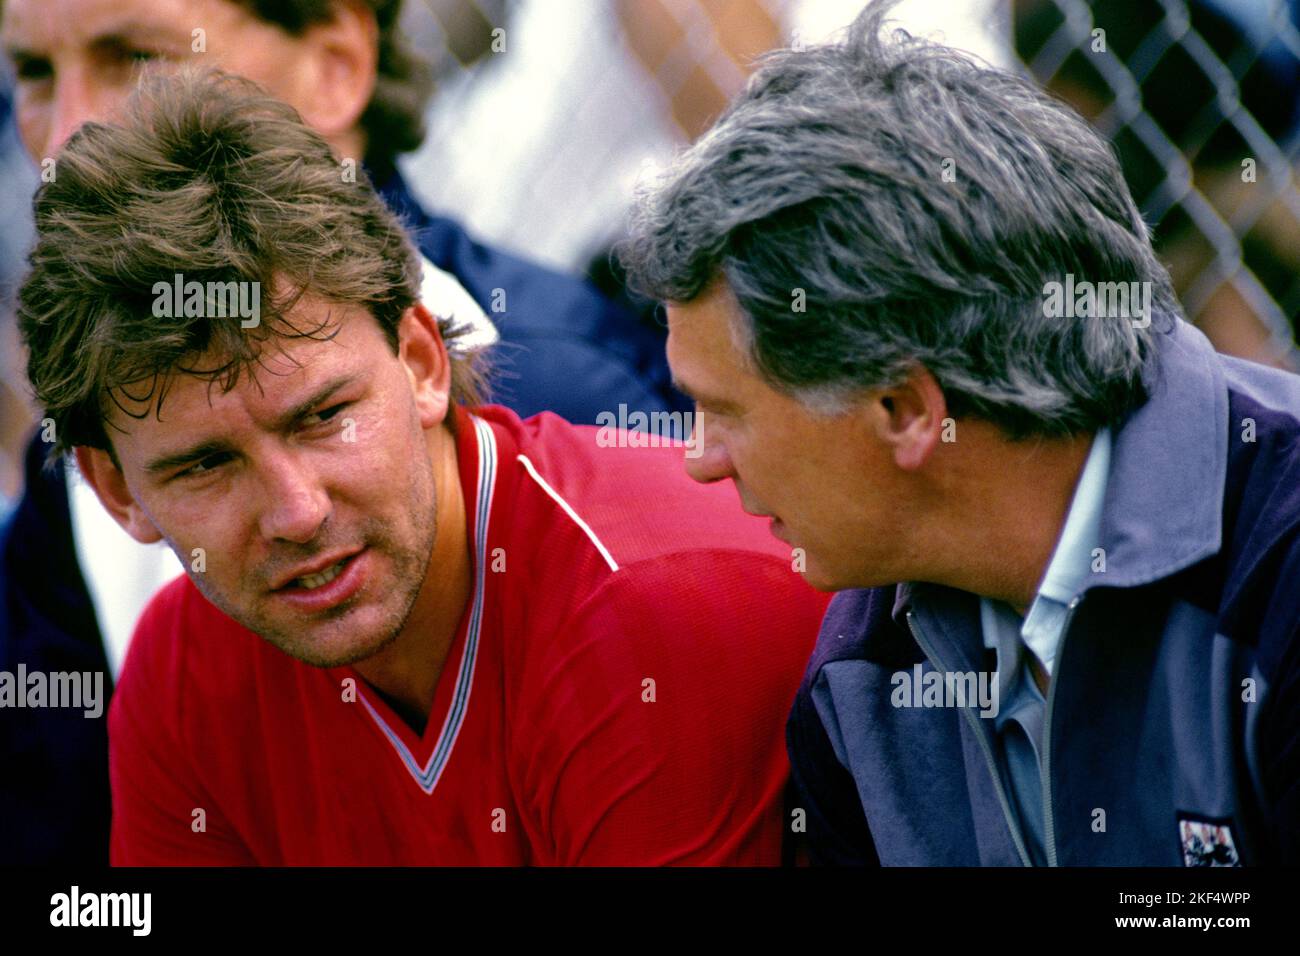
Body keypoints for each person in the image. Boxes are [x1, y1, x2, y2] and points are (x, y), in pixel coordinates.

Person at [16, 69, 829, 865]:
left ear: (421, 360)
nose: (297, 512)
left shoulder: (654, 604)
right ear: (118, 489)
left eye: (325, 417)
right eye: (206, 466)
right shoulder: (181, 677)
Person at [619, 0, 1300, 865]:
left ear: (904, 411)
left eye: (727, 411)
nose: (699, 461)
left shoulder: (1280, 564)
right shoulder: (861, 677)